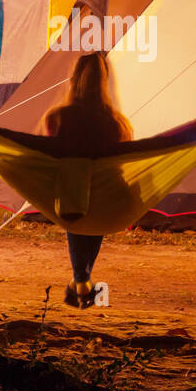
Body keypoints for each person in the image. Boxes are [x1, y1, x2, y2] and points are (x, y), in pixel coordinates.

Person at [39, 51, 132, 308]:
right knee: (93, 220)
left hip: (71, 196)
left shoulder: (58, 117)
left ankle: (80, 283)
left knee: (77, 209)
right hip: (107, 197)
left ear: (74, 79)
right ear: (105, 82)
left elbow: (50, 153)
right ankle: (80, 283)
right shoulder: (116, 123)